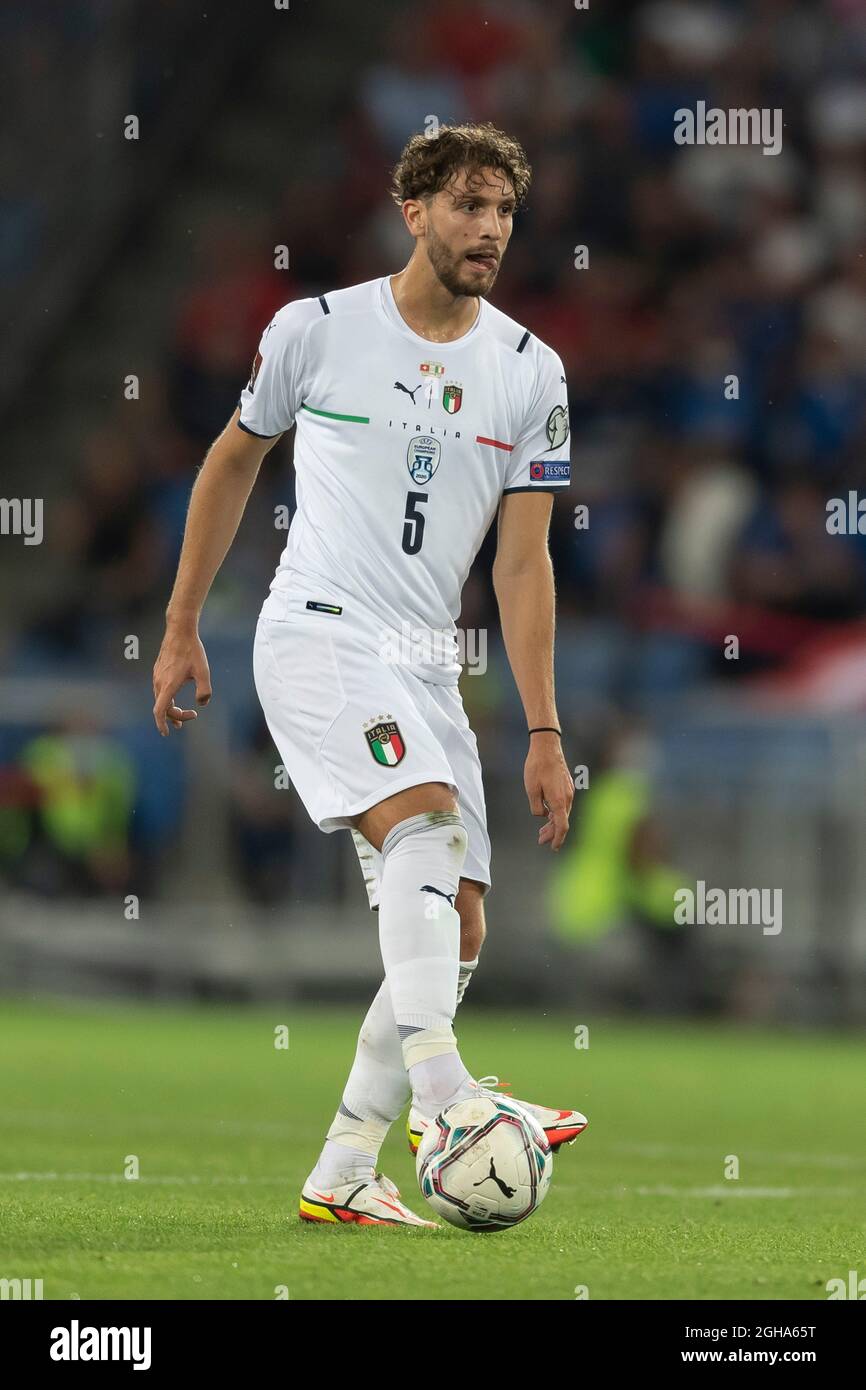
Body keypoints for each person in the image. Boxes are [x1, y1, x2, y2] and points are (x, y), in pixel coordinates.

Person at [153, 123, 586, 1228]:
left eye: (503, 211)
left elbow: (524, 563)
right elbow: (232, 458)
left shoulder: (531, 372)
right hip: (316, 631)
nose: (488, 228)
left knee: (461, 927)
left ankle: (346, 1165)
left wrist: (541, 729)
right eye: (468, 205)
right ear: (414, 208)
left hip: (426, 662)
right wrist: (181, 623)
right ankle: (446, 1100)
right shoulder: (317, 328)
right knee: (426, 834)